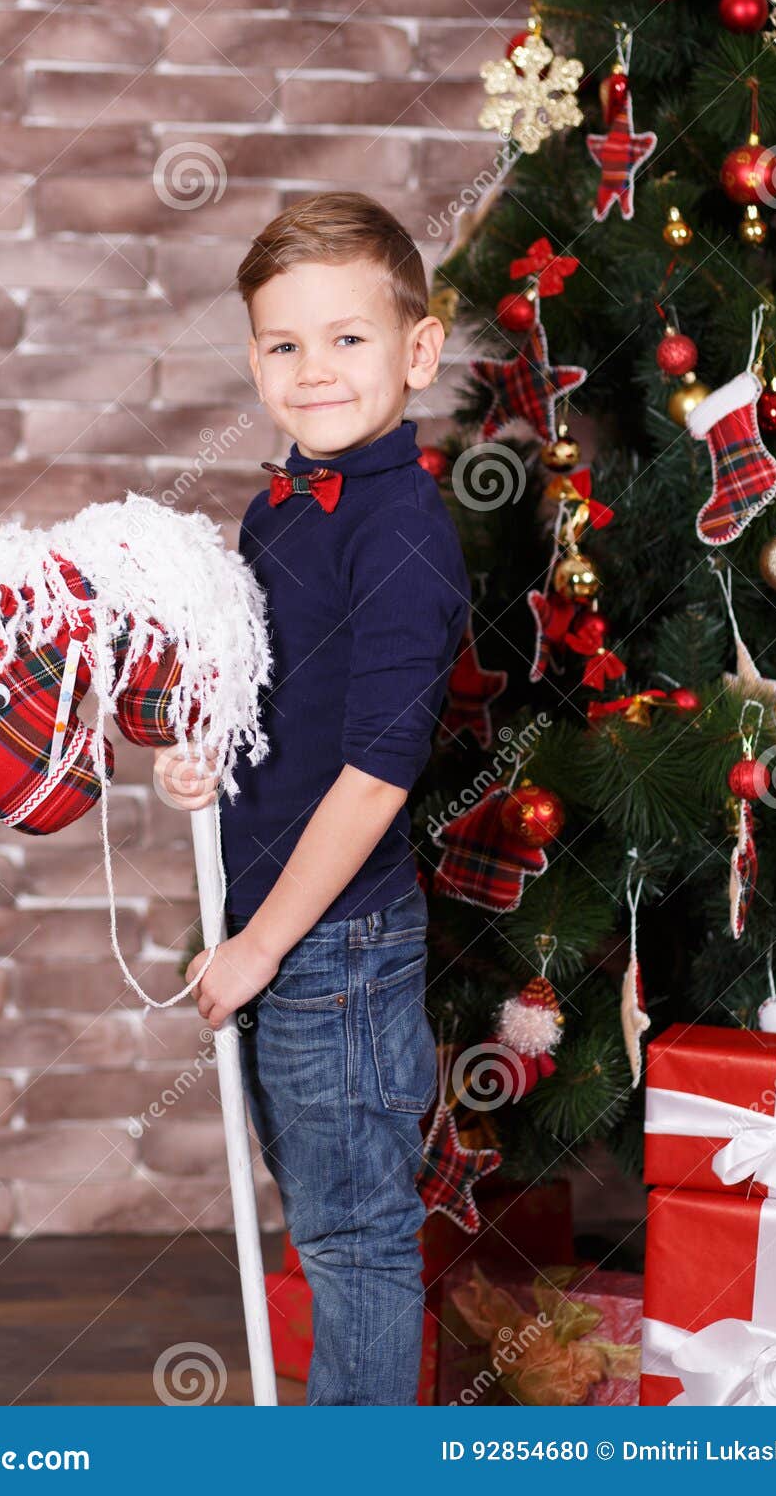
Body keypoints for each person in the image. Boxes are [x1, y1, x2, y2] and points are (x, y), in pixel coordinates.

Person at [154, 190, 471, 1405]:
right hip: (274, 925)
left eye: (347, 337)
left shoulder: (400, 533)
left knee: (353, 1239)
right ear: (254, 362)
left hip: (335, 947)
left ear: (417, 351)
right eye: (284, 344)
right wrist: (205, 757)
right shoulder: (275, 507)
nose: (314, 369)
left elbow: (377, 772)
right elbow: (261, 696)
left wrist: (262, 946)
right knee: (318, 1214)